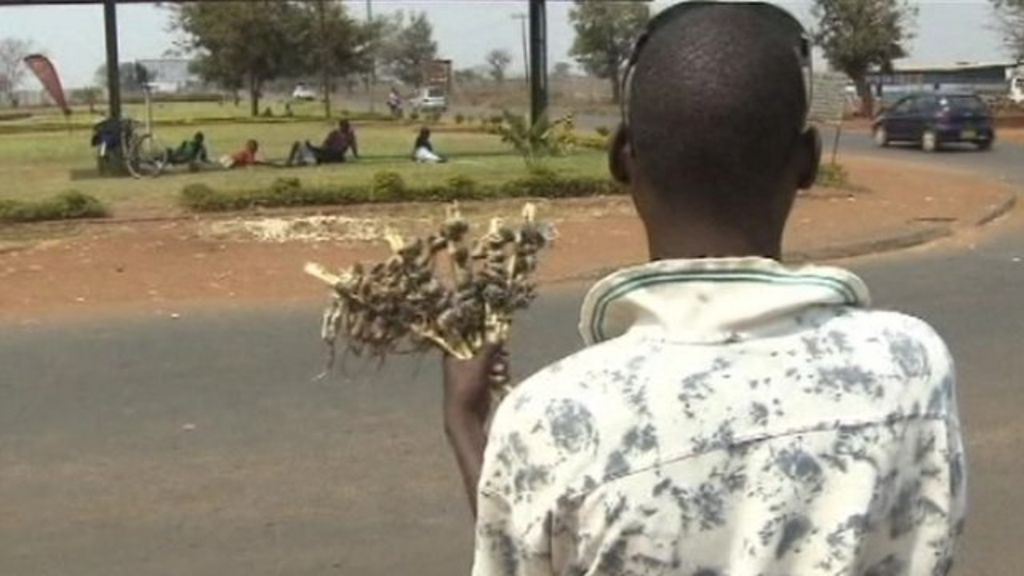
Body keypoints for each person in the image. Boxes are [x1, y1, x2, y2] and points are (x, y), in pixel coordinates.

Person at [441, 4, 966, 576]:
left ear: (621, 157)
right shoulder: (912, 365)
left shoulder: (552, 419)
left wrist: (467, 425)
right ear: (809, 162)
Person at [287, 119, 359, 166]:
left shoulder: (346, 135)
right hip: (326, 154)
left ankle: (293, 161)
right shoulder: (336, 134)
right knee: (299, 145)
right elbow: (325, 145)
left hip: (328, 155)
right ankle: (292, 161)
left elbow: (353, 147)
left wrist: (356, 155)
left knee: (300, 148)